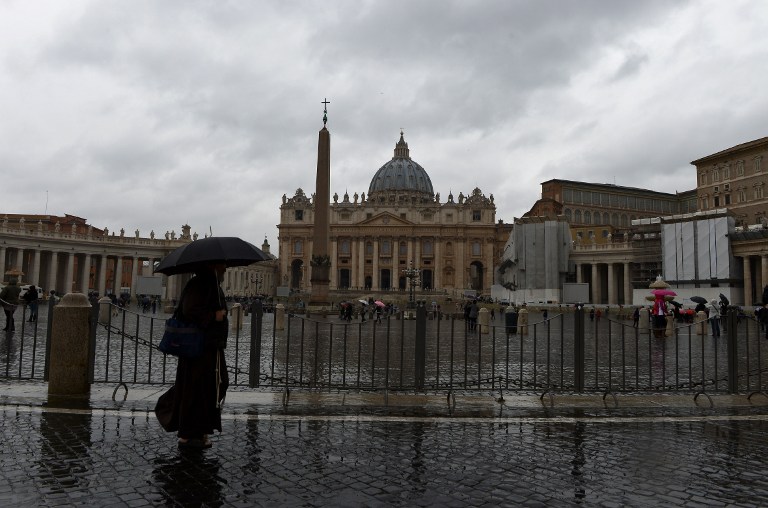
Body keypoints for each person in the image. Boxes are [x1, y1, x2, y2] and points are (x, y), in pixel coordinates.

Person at [164, 263, 230, 449]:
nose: (224, 269)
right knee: (197, 389)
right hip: (199, 347)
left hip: (210, 346)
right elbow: (189, 310)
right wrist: (214, 316)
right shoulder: (199, 284)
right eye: (222, 266)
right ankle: (186, 433)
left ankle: (200, 431)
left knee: (209, 388)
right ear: (213, 267)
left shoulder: (210, 284)